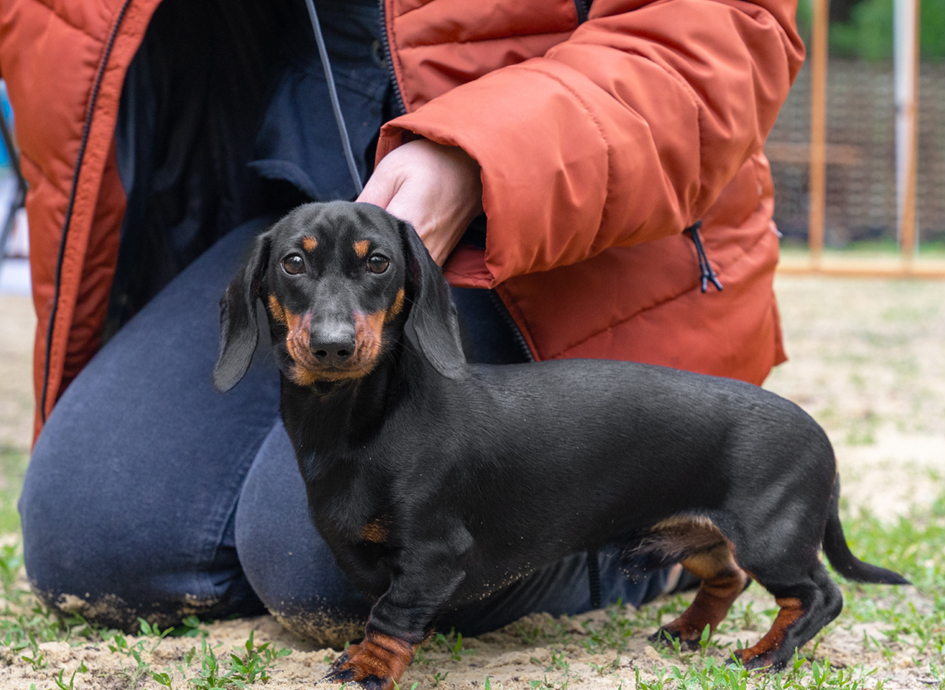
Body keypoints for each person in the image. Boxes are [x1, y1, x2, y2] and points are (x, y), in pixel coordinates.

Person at [3, 0, 804, 645]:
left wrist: (475, 156)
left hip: (552, 224)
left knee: (340, 567)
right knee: (98, 546)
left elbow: (724, 29)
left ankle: (647, 517)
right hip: (287, 193)